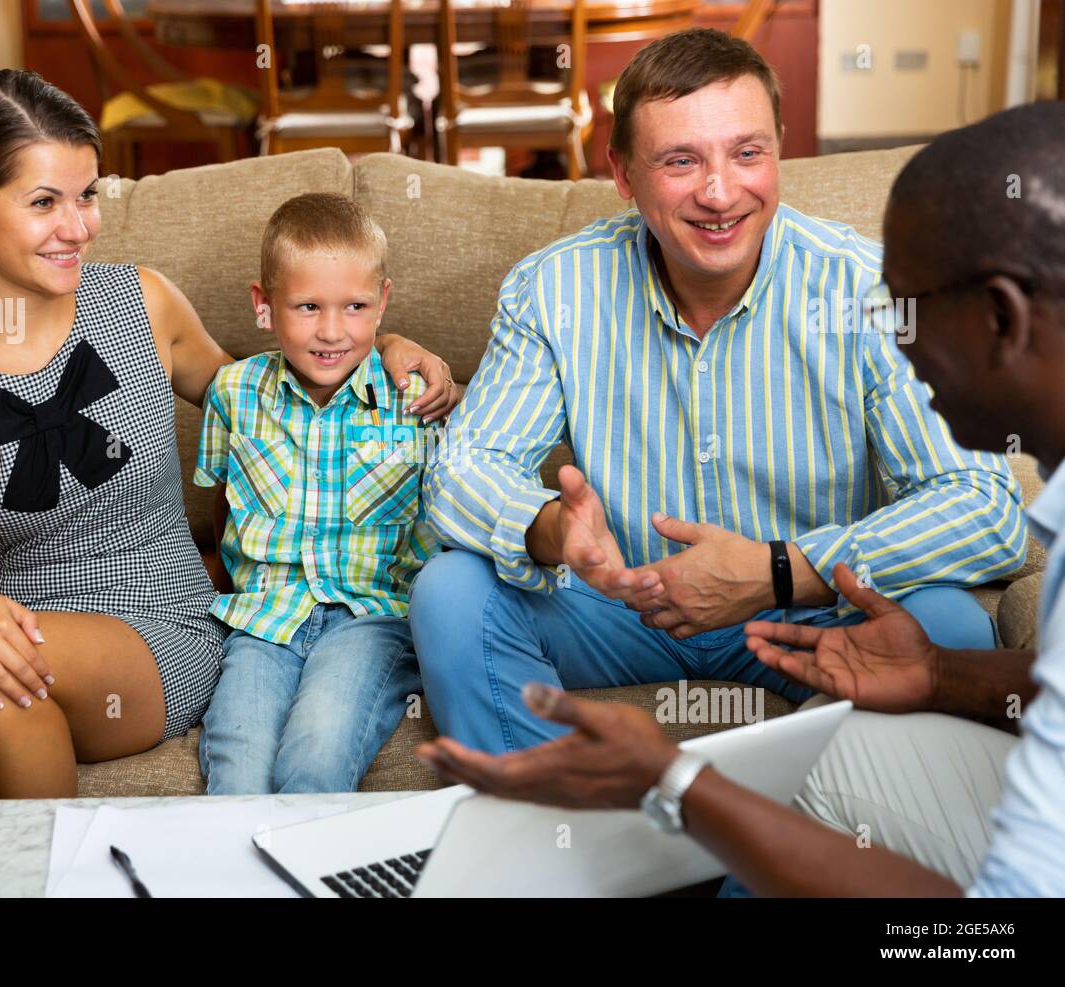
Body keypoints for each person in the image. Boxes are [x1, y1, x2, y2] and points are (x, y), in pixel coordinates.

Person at [416, 100, 1065, 897]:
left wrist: (781, 569)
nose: (720, 193)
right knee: (450, 590)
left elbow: (983, 505)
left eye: (746, 153)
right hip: (625, 602)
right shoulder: (558, 287)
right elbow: (457, 470)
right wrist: (551, 528)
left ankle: (744, 872)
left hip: (807, 607)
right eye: (681, 161)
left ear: (780, 155)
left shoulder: (863, 284)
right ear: (622, 174)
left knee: (949, 619)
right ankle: (574, 856)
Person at [0, 70, 459, 800]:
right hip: (7, 619)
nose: (77, 227)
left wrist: (389, 345)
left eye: (86, 194)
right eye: (43, 202)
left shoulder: (141, 304)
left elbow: (279, 394)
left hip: (155, 623)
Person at [194, 193, 451, 793]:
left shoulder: (413, 399)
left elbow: (453, 509)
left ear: (382, 302)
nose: (332, 331)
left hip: (372, 618)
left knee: (316, 753)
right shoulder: (234, 393)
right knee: (238, 762)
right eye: (307, 306)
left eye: (355, 306)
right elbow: (218, 508)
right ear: (264, 305)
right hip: (263, 618)